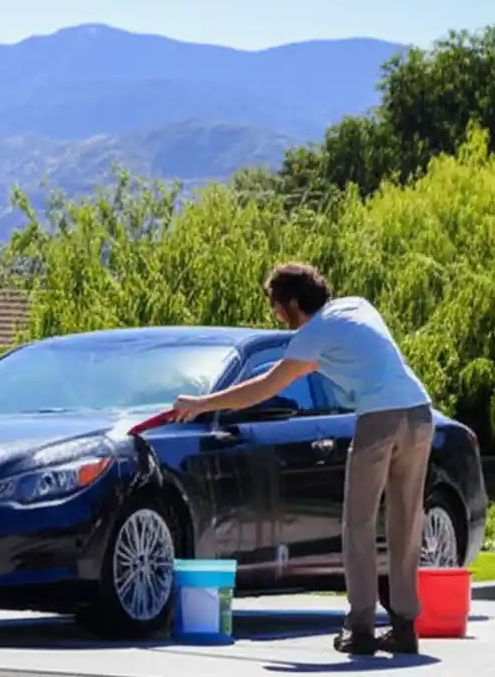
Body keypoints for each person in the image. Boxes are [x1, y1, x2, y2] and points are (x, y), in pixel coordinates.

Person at [170, 262, 433, 656]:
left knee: (359, 522)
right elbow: (348, 357)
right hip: (420, 412)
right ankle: (405, 627)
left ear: (293, 303)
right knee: (405, 521)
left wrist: (201, 404)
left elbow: (264, 387)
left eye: (277, 307)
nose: (276, 315)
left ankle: (360, 627)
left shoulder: (313, 334)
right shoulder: (355, 307)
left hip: (380, 417)